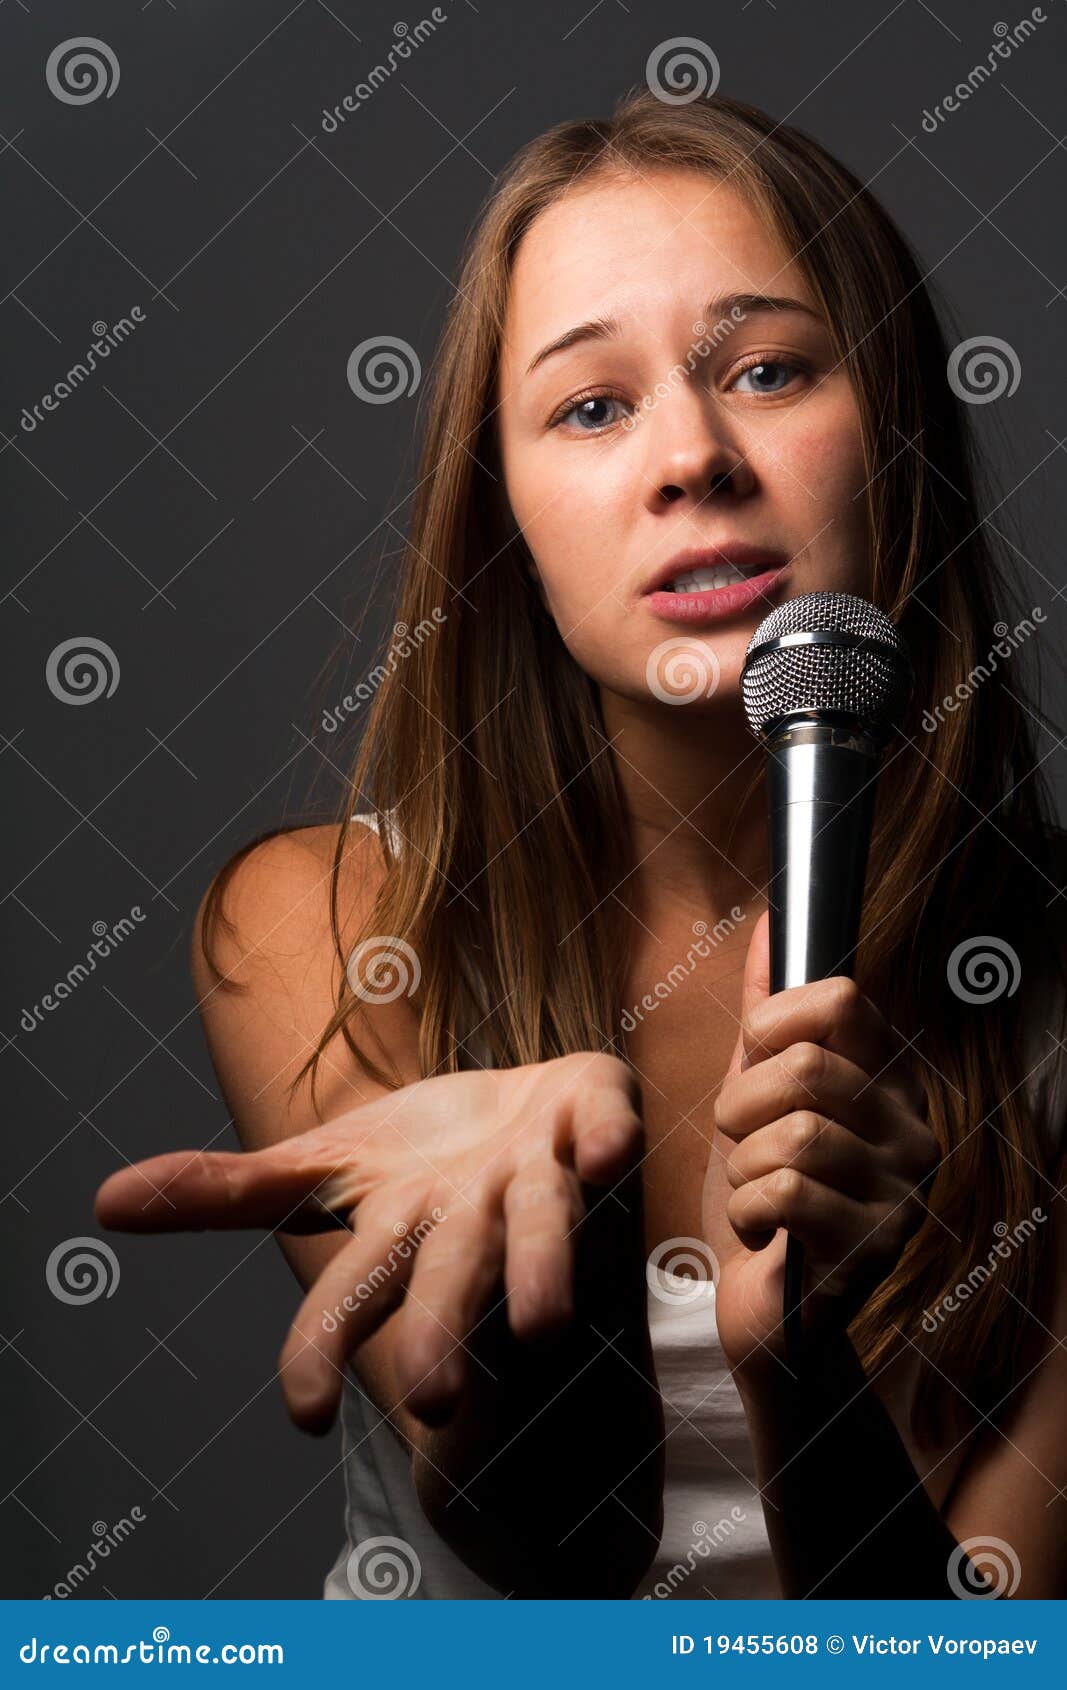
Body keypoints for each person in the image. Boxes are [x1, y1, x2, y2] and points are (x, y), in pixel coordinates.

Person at [95, 90, 1067, 1601]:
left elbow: (959, 1660)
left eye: (767, 370)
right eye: (593, 407)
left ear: (899, 436)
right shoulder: (321, 924)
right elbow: (551, 1563)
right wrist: (544, 1261)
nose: (693, 457)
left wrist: (796, 1362)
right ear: (508, 520)